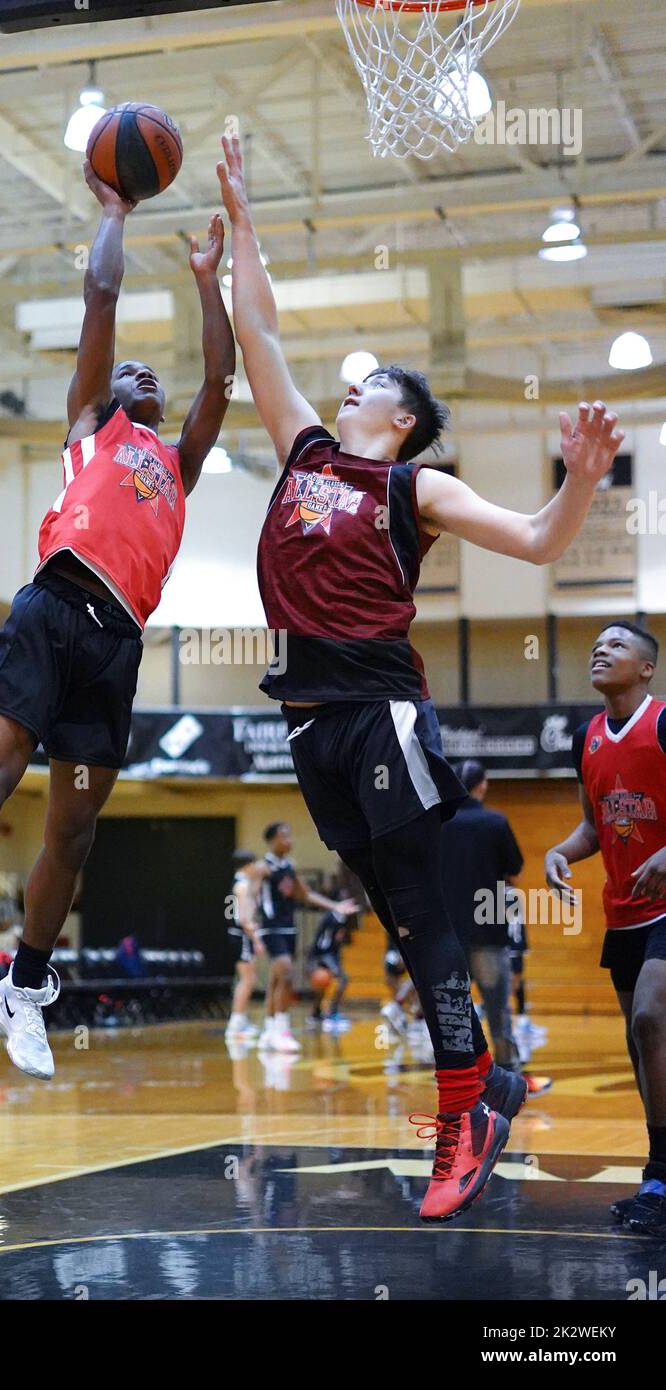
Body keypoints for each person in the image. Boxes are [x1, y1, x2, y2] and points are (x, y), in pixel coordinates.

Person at [217, 132, 625, 1222]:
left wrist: (580, 480)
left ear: (395, 420)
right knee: (385, 910)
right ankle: (481, 1073)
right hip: (306, 722)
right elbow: (256, 327)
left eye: (371, 388)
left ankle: (464, 1115)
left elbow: (538, 541)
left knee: (413, 902)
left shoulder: (416, 486)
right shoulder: (305, 452)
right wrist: (246, 222)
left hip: (378, 709)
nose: (348, 387)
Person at [0, 159, 235, 1080]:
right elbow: (102, 299)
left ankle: (23, 984)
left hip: (116, 644)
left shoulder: (180, 463)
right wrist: (114, 212)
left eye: (145, 371)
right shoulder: (92, 427)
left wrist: (208, 283)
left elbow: (222, 382)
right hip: (54, 612)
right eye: (126, 370)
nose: (136, 369)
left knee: (73, 832)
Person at [546, 621, 666, 1235]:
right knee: (641, 1050)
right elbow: (594, 826)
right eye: (597, 644)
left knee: (651, 1016)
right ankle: (658, 1173)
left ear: (646, 668)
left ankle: (663, 1172)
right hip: (622, 911)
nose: (601, 649)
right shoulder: (586, 737)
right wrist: (561, 852)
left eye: (618, 645)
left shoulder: (665, 723)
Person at [440, 759, 551, 1097]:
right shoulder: (495, 822)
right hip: (488, 930)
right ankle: (510, 1082)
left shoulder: (435, 824)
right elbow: (514, 874)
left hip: (448, 935)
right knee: (498, 1012)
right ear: (483, 785)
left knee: (453, 1014)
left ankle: (458, 1084)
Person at [252, 823, 357, 1053]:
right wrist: (253, 930)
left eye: (290, 835)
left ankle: (269, 1031)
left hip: (289, 927)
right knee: (287, 973)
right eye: (284, 836)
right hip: (271, 929)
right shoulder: (263, 867)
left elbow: (306, 895)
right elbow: (253, 897)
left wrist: (335, 906)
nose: (289, 840)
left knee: (276, 980)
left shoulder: (290, 866)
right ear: (272, 840)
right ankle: (282, 1029)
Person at [225, 850, 266, 1042]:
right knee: (247, 979)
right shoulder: (242, 885)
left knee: (246, 978)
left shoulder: (236, 882)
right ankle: (236, 1024)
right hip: (241, 935)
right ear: (249, 865)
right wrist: (256, 938)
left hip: (234, 934)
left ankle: (239, 1021)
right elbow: (243, 918)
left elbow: (232, 913)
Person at [307, 909, 351, 1032]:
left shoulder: (342, 920)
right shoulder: (330, 918)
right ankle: (332, 1012)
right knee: (343, 979)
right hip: (324, 955)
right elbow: (321, 943)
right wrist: (313, 960)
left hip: (328, 955)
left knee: (323, 985)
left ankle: (316, 1012)